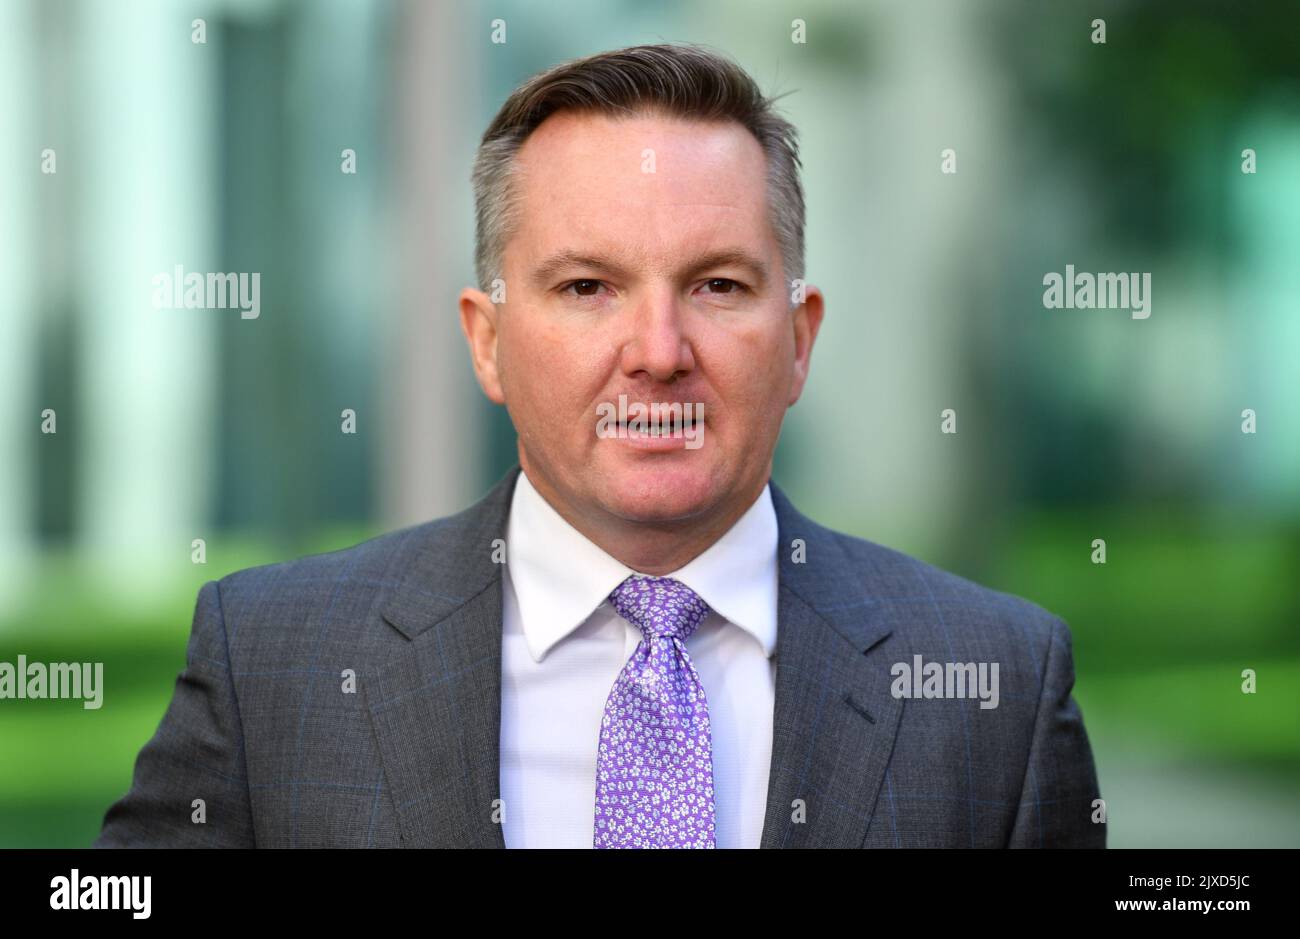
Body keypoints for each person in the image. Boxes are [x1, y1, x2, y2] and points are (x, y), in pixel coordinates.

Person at [95, 43, 1103, 849]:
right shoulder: (275, 666)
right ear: (487, 343)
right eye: (587, 288)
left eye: (716, 285)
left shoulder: (994, 688)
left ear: (797, 342)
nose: (658, 354)